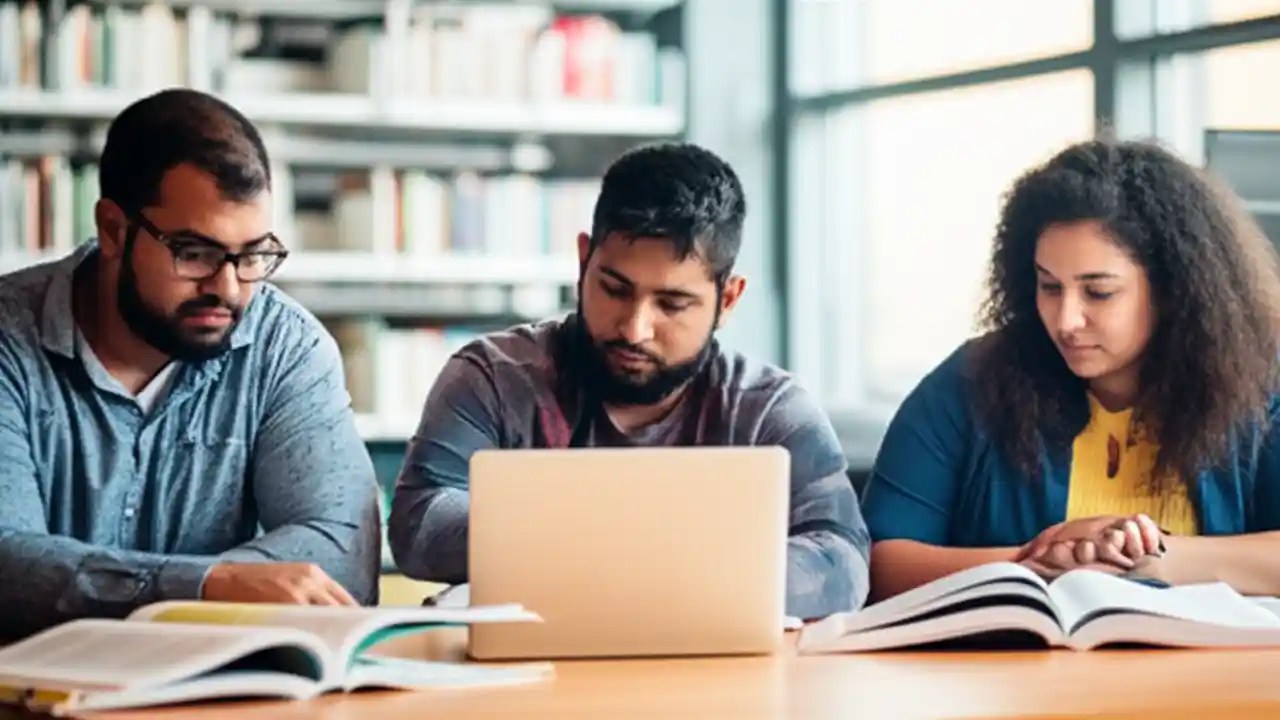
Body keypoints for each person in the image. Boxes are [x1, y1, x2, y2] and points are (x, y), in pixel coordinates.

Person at [389, 142, 869, 620]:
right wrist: (633, 551)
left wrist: (634, 564)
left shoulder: (769, 408)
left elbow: (843, 562)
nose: (635, 328)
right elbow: (420, 523)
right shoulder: (493, 378)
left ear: (728, 299)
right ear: (583, 261)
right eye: (614, 289)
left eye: (673, 304)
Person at [0, 89, 381, 640]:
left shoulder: (285, 348)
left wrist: (183, 588)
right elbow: (8, 566)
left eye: (252, 254)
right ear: (113, 230)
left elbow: (342, 552)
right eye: (194, 252)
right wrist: (206, 586)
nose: (227, 288)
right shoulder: (11, 339)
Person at [861, 137, 1280, 601]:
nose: (1065, 320)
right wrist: (1038, 561)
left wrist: (1154, 558)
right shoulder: (970, 381)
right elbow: (879, 562)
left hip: (1217, 675)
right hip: (1016, 672)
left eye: (1098, 293)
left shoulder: (1262, 384)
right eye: (1050, 287)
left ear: (1174, 289)